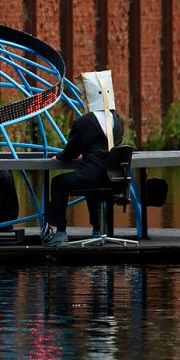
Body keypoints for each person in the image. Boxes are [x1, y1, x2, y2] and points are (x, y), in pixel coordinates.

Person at [44, 70, 124, 247]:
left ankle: (61, 232)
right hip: (114, 179)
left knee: (58, 183)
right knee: (92, 184)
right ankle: (97, 230)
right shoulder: (118, 121)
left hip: (92, 177)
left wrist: (59, 156)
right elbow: (108, 147)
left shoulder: (83, 122)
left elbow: (70, 152)